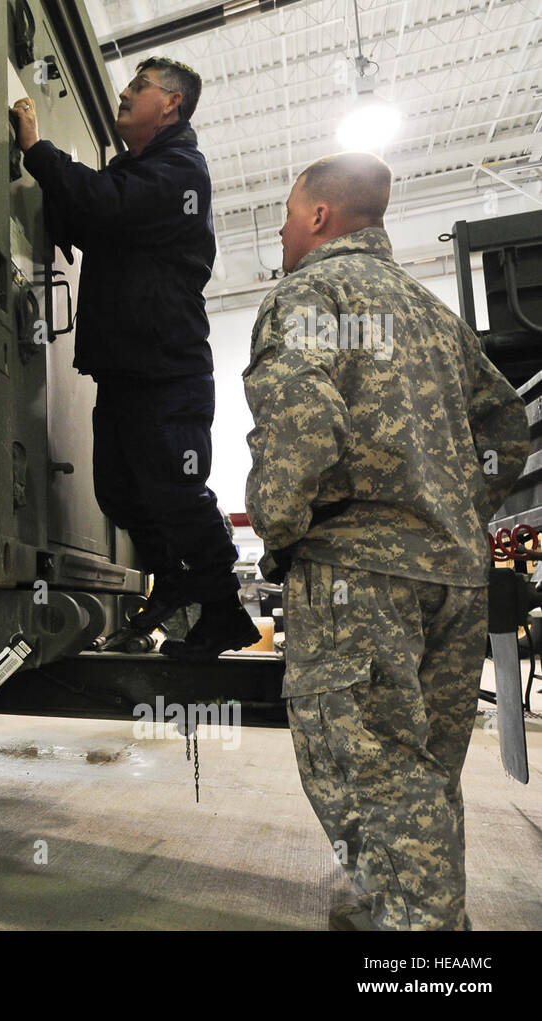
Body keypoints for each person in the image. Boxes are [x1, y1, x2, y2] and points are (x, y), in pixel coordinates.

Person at [244, 150, 529, 930]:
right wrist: (459, 509)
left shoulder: (310, 293)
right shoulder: (432, 311)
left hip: (358, 578)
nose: (281, 232)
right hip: (455, 581)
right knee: (423, 781)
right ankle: (401, 918)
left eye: (285, 216)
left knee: (376, 785)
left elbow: (303, 430)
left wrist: (279, 525)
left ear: (318, 216)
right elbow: (507, 423)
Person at [12, 57, 258, 661]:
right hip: (128, 368)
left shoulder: (180, 171)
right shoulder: (141, 167)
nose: (125, 92)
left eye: (139, 87)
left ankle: (223, 613)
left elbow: (103, 204)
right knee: (120, 493)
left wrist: (38, 150)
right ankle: (174, 582)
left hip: (165, 368)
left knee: (176, 491)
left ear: (170, 104)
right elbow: (88, 217)